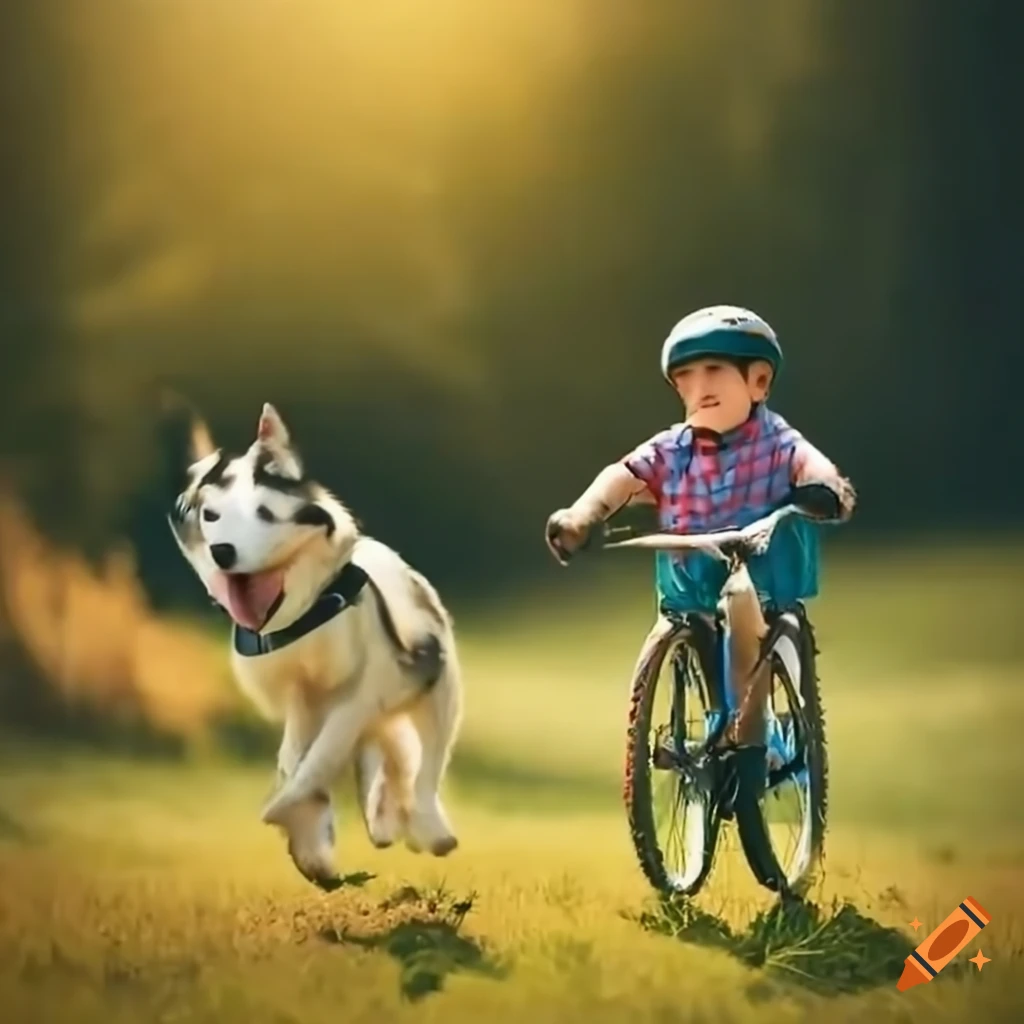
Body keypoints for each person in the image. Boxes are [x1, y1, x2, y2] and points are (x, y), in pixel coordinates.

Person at [544, 304, 856, 753]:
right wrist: (583, 515)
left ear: (759, 382)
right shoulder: (672, 449)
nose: (699, 387)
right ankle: (710, 730)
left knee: (745, 610)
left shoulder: (778, 443)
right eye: (685, 377)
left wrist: (824, 490)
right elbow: (623, 475)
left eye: (713, 370)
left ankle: (762, 728)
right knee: (681, 634)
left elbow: (814, 467)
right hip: (690, 585)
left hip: (763, 577)